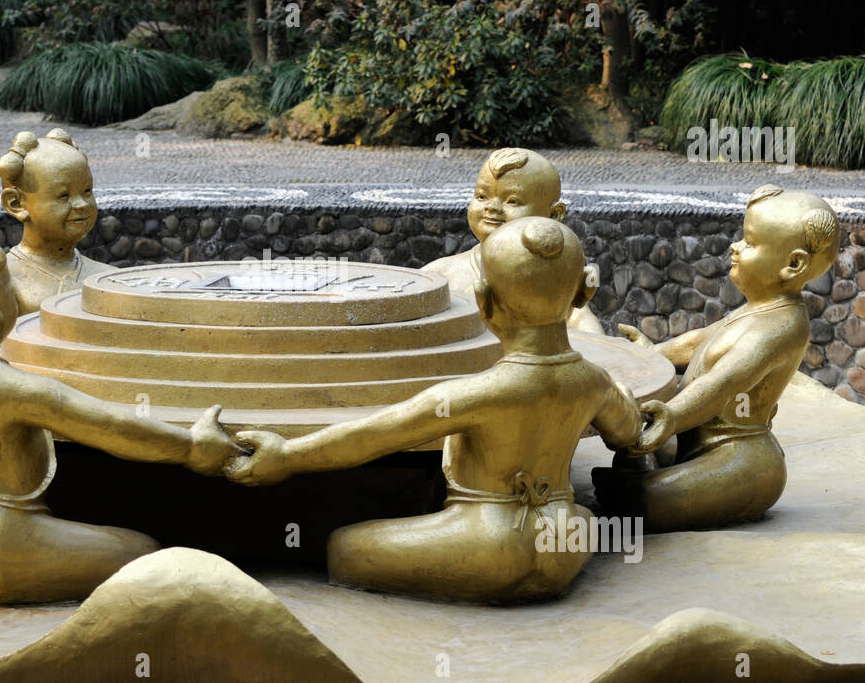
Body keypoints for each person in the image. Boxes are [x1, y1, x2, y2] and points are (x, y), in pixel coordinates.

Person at [226, 218, 642, 604]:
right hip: (562, 544)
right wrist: (623, 393)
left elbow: (370, 437)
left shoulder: (475, 393)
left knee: (342, 547)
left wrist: (286, 456)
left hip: (486, 546)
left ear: (482, 301)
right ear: (584, 293)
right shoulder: (595, 382)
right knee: (585, 514)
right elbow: (628, 432)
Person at [0, 231, 240, 604]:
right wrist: (191, 447)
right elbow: (112, 429)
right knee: (147, 553)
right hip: (1, 543)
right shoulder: (20, 388)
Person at [593, 185, 840, 532]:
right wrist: (653, 354)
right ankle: (647, 478)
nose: (735, 247)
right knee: (631, 452)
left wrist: (674, 416)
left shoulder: (785, 326)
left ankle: (641, 491)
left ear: (793, 264)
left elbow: (724, 383)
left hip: (740, 458)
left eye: (750, 243)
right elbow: (697, 343)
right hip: (694, 441)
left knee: (637, 501)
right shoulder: (757, 307)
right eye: (742, 237)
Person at [422, 147, 603, 333]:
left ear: (554, 214)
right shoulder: (440, 275)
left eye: (512, 201)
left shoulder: (554, 279)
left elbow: (581, 322)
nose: (491, 207)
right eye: (481, 196)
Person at [0, 129, 114, 315]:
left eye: (87, 191)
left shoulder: (109, 277)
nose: (81, 204)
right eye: (63, 195)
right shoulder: (1, 281)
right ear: (16, 203)